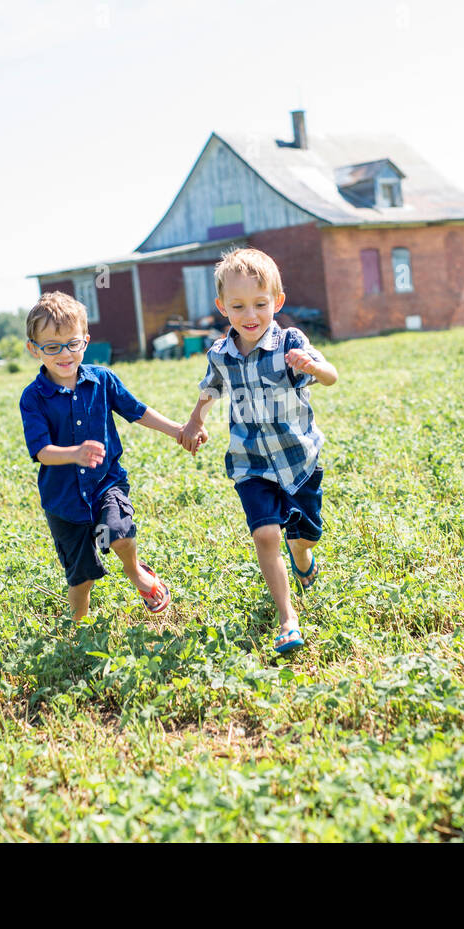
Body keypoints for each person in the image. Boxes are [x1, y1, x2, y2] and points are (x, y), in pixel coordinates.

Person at [178, 248, 339, 654]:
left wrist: (314, 367)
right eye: (238, 306)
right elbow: (211, 386)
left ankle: (302, 558)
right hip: (249, 461)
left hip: (298, 459)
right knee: (266, 533)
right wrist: (196, 419)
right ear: (222, 307)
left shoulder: (290, 342)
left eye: (260, 304)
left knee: (305, 537)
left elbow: (332, 376)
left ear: (277, 302)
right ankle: (288, 619)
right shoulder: (220, 353)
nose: (250, 315)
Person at [19, 291, 205, 620]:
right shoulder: (33, 397)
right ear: (35, 349)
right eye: (52, 346)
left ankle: (135, 572)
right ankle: (78, 628)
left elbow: (136, 411)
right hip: (63, 500)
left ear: (86, 341)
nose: (65, 354)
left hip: (106, 482)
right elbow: (42, 452)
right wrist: (74, 453)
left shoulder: (102, 380)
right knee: (82, 576)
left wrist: (178, 429)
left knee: (119, 532)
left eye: (72, 344)